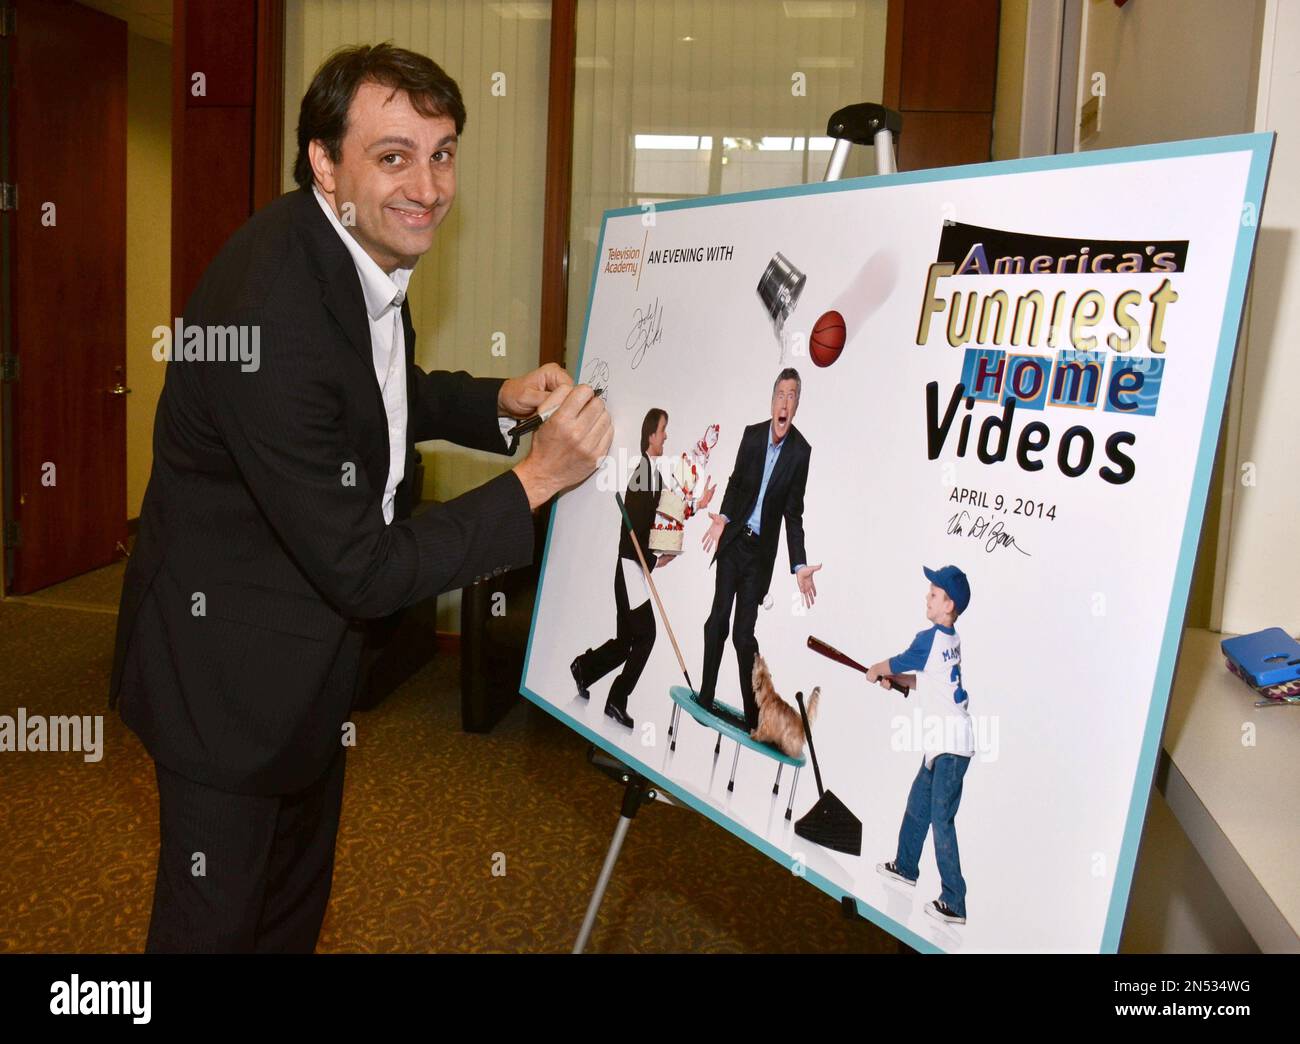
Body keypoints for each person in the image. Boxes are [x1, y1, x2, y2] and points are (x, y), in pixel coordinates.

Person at [108, 44, 612, 953]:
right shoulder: (273, 305)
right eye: (393, 156)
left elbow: (377, 393)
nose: (428, 185)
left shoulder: (349, 248)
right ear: (325, 162)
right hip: (222, 684)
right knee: (213, 931)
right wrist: (536, 480)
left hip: (304, 666)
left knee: (289, 917)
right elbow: (366, 570)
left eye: (444, 151)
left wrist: (494, 401)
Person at [570, 409, 713, 728]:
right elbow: (632, 529)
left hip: (634, 567)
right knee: (646, 635)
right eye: (663, 430)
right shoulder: (642, 473)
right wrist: (652, 561)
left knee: (625, 642)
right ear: (651, 435)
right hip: (630, 567)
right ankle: (616, 700)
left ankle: (585, 667)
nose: (666, 436)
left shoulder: (654, 475)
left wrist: (697, 505)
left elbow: (666, 512)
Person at [698, 369, 821, 730]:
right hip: (734, 543)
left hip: (758, 559)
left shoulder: (800, 453)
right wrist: (722, 517)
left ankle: (755, 717)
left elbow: (793, 514)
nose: (785, 403)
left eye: (792, 396)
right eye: (780, 395)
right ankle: (705, 695)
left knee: (743, 635)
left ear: (797, 405)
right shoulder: (752, 436)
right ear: (772, 401)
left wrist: (799, 565)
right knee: (717, 619)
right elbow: (736, 483)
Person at [868, 565, 974, 926]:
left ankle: (954, 900)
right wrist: (894, 680)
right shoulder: (950, 640)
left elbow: (896, 662)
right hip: (944, 744)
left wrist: (877, 669)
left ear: (949, 605)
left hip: (951, 745)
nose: (927, 598)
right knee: (918, 806)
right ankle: (906, 866)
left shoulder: (929, 639)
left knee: (941, 819)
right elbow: (923, 681)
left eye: (934, 594)